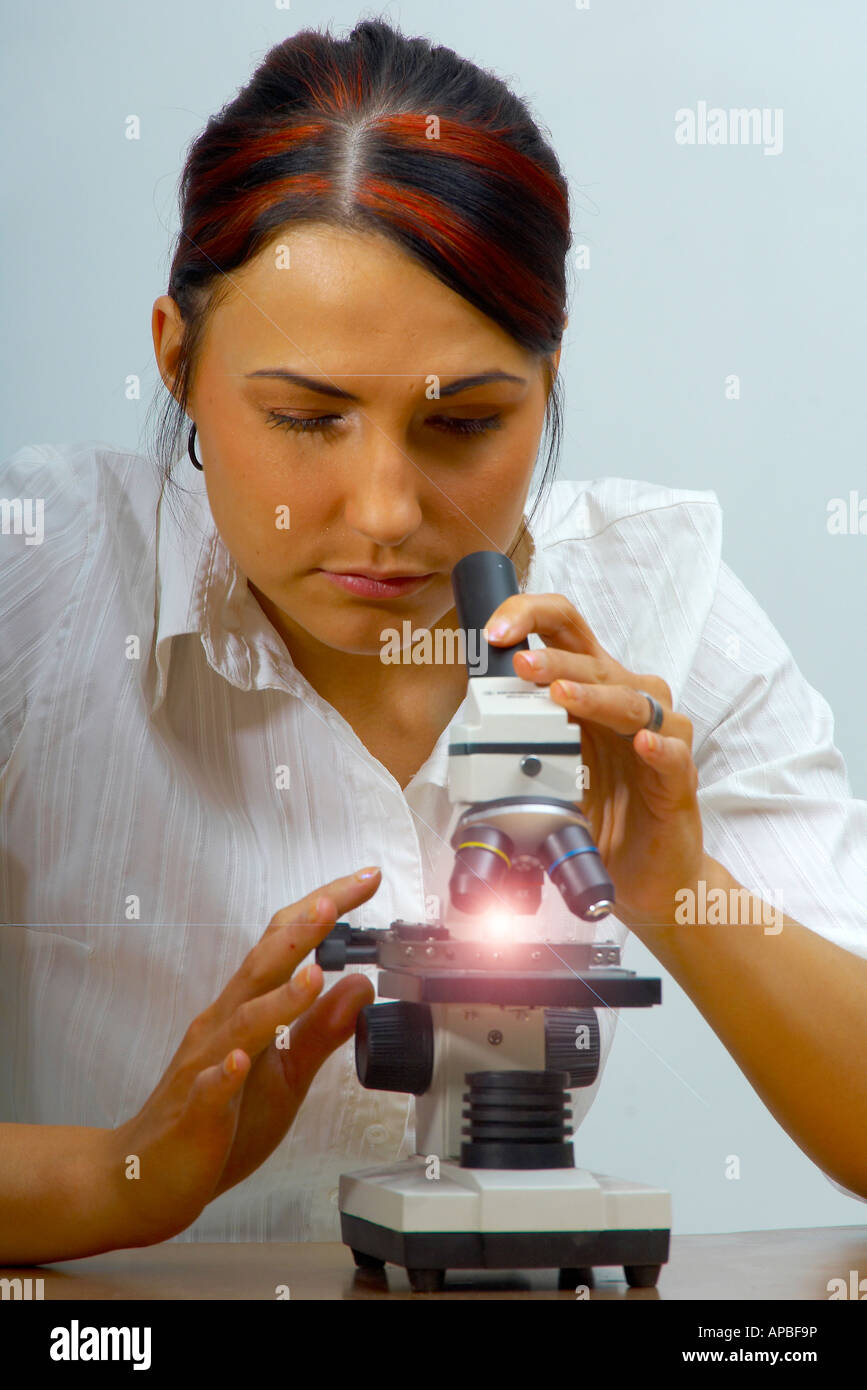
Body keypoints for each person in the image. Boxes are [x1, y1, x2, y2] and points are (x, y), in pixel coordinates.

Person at [2, 17, 866, 1268]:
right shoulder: (43, 583)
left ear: (547, 379)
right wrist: (118, 1174)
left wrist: (679, 888)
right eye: (307, 416)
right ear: (179, 363)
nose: (388, 513)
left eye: (465, 421)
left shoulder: (657, 597)